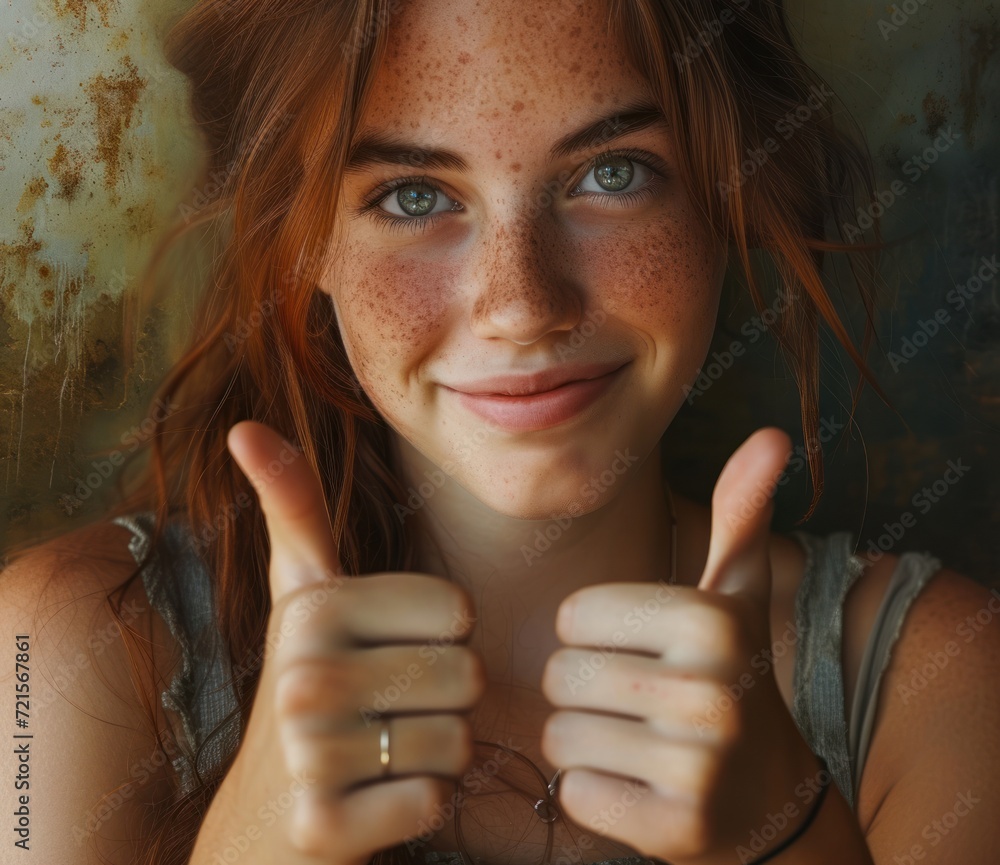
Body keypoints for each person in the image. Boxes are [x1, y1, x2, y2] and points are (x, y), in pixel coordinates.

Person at [2, 0, 997, 864]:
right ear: (296, 236)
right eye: (413, 195)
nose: (522, 305)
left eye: (611, 174)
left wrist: (782, 839)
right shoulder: (52, 655)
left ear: (724, 189)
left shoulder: (937, 680)